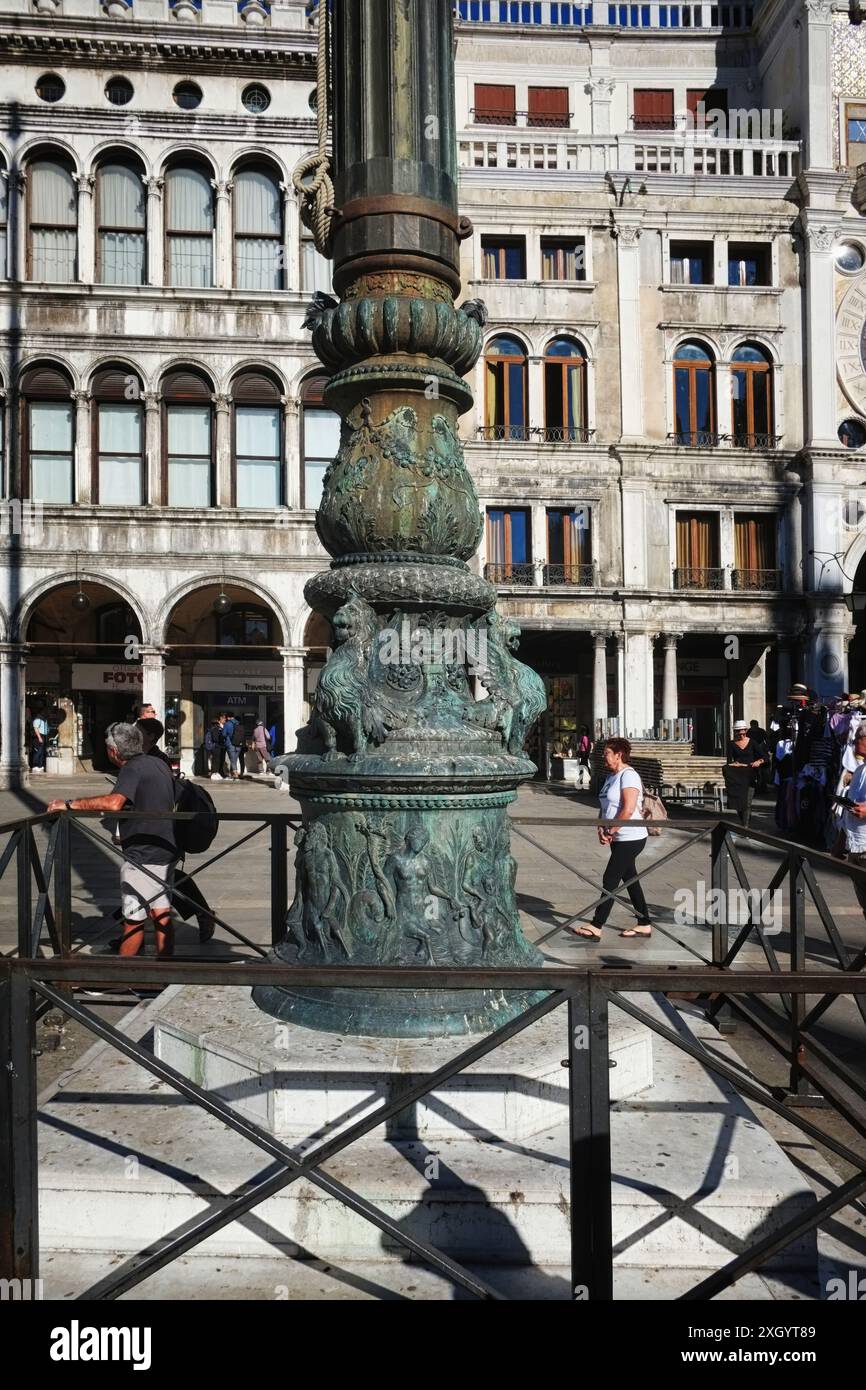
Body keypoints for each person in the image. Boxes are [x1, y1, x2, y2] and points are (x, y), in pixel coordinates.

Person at [47, 722, 177, 958]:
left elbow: (113, 803)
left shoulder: (133, 768)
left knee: (134, 917)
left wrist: (68, 804)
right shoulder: (158, 763)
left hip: (143, 853)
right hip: (164, 846)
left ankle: (119, 975)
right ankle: (166, 971)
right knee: (161, 913)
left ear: (113, 751)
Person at [568, 736, 652, 940]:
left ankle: (597, 925)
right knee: (630, 880)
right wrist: (601, 827)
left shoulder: (629, 776)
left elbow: (628, 808)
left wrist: (611, 830)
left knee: (610, 878)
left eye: (606, 753)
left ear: (619, 755)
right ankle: (644, 923)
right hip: (618, 836)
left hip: (631, 836)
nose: (603, 757)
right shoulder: (610, 777)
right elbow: (605, 806)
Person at [834, 726, 866, 923]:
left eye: (857, 739)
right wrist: (840, 843)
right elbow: (850, 811)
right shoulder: (860, 770)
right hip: (856, 847)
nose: (853, 743)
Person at [724, 719, 766, 828]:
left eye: (742, 732)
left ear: (746, 731)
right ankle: (744, 823)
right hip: (737, 776)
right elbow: (729, 761)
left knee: (747, 803)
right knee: (739, 803)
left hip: (751, 776)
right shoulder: (731, 744)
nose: (740, 735)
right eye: (738, 732)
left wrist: (758, 761)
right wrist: (734, 764)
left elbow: (765, 757)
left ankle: (745, 827)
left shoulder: (752, 743)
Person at [205, 715, 226, 780]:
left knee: (215, 760)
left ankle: (215, 773)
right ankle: (214, 773)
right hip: (216, 746)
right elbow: (215, 738)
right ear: (216, 723)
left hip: (213, 747)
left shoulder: (210, 728)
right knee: (216, 760)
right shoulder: (215, 729)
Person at [222, 712, 241, 781]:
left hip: (230, 744)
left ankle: (235, 774)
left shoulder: (227, 724)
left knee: (232, 760)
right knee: (234, 759)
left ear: (228, 717)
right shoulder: (239, 723)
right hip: (239, 744)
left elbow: (223, 734)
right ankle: (231, 774)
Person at [30, 708, 48, 773]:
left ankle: (40, 766)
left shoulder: (43, 719)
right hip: (38, 736)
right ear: (41, 712)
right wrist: (39, 737)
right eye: (44, 711)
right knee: (37, 751)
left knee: (41, 752)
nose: (46, 713)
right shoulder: (38, 719)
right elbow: (36, 728)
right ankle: (35, 766)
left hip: (43, 736)